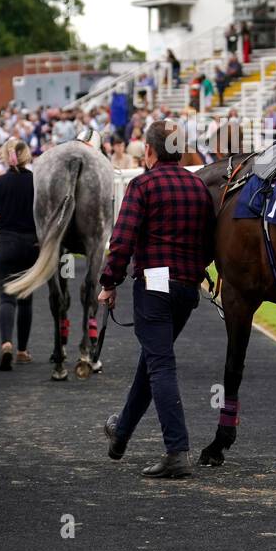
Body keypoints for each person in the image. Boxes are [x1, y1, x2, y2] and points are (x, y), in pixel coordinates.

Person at [98, 121, 215, 478]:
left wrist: (109, 282)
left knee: (160, 364)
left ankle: (177, 450)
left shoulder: (142, 185)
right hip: (186, 288)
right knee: (152, 360)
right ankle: (121, 433)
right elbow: (210, 242)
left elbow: (122, 240)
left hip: (154, 285)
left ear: (149, 151)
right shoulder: (198, 186)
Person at [0, 139, 39, 371]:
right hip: (32, 244)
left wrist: (1, 218)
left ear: (5, 157)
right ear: (27, 157)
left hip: (6, 242)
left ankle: (6, 343)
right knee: (25, 298)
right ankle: (23, 351)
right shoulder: (37, 182)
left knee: (7, 297)